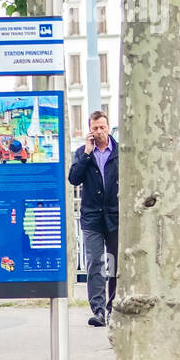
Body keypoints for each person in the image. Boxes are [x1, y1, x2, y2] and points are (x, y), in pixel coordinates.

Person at [67, 111, 119, 327]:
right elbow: (73, 179)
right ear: (90, 130)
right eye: (95, 128)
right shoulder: (82, 152)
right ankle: (98, 310)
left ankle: (114, 308)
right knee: (95, 263)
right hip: (92, 217)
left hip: (116, 216)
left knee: (116, 264)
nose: (99, 132)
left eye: (102, 127)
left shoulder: (119, 152)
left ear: (108, 127)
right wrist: (87, 154)